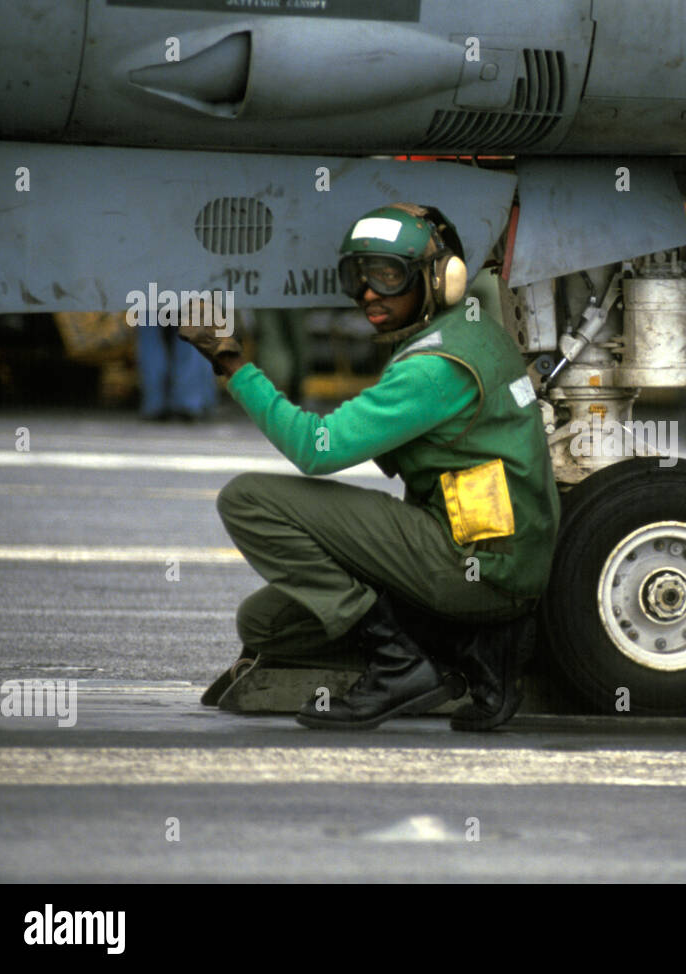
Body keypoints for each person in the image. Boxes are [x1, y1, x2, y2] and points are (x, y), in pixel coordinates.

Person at [178, 202, 560, 731]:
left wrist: (230, 360)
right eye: (356, 277)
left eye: (388, 276)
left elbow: (318, 448)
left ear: (437, 279)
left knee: (247, 500)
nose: (368, 294)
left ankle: (399, 666)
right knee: (265, 623)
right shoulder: (470, 333)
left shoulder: (433, 368)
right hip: (494, 557)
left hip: (477, 562)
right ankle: (465, 650)